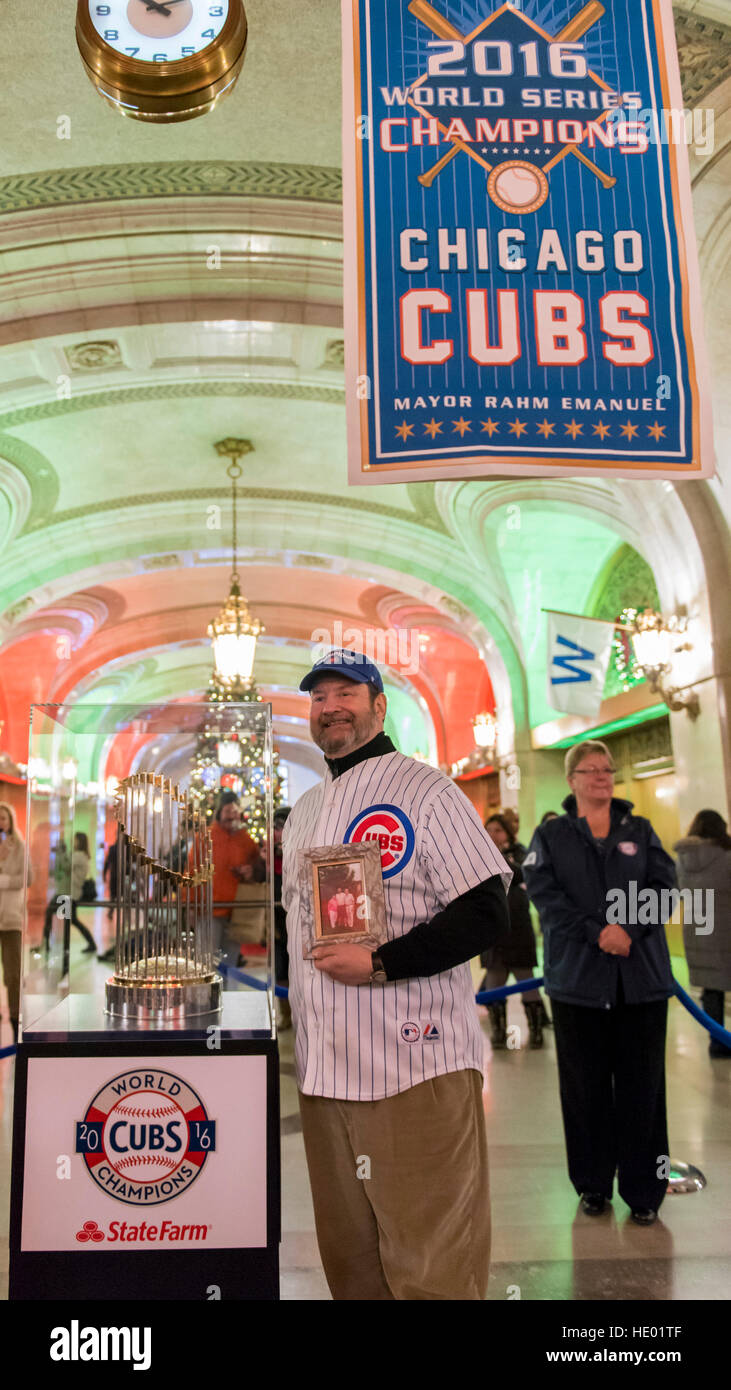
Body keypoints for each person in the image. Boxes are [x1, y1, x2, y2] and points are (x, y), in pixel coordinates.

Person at [282, 648, 511, 1300]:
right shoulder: (306, 807)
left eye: (346, 693)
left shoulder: (423, 788)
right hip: (326, 1075)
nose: (330, 707)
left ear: (379, 706)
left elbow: (485, 912)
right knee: (353, 1266)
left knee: (431, 1262)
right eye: (318, 697)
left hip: (412, 1067)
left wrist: (382, 963)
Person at [523, 740, 676, 1226]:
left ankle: (646, 1190)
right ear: (571, 781)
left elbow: (665, 887)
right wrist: (598, 932)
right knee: (585, 1092)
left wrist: (626, 930)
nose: (601, 777)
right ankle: (592, 1184)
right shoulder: (552, 836)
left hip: (641, 984)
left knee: (644, 1093)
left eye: (606, 769)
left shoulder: (641, 830)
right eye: (589, 770)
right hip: (578, 986)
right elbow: (545, 896)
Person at [481, 813, 543, 1049]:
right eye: (488, 829)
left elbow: (523, 874)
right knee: (495, 985)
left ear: (507, 833)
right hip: (492, 930)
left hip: (518, 929)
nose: (492, 834)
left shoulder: (521, 853)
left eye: (497, 830)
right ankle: (498, 1032)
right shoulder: (476, 856)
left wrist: (496, 857)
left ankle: (536, 1030)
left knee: (527, 982)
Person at [675, 809, 731, 1059]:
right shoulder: (727, 856)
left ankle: (717, 1043)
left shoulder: (682, 860)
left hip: (697, 929)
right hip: (726, 928)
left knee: (711, 989)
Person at [210, 791, 265, 969]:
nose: (232, 816)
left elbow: (258, 869)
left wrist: (249, 872)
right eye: (228, 811)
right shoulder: (205, 837)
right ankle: (205, 997)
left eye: (235, 811)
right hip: (211, 910)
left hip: (237, 911)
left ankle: (227, 995)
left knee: (230, 961)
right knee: (207, 959)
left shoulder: (246, 840)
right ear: (219, 812)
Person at [0, 802, 26, 1043]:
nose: (1, 823)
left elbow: (23, 879)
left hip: (10, 918)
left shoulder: (19, 846)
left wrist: (3, 878)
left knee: (12, 974)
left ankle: (15, 1018)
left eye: (4, 818)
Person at [272, 806, 292, 1030]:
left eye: (282, 826)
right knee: (280, 970)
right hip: (276, 920)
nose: (279, 832)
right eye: (276, 827)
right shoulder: (268, 853)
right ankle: (285, 1014)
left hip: (296, 919)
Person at [70, 832, 97, 953]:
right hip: (72, 893)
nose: (73, 842)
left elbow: (65, 865)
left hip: (72, 893)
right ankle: (91, 943)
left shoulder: (78, 856)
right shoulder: (83, 855)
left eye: (75, 840)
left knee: (70, 919)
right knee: (71, 919)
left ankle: (91, 943)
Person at [42, 837, 71, 949]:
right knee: (53, 914)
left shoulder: (65, 857)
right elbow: (55, 872)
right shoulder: (60, 857)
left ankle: (58, 944)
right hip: (61, 892)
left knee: (65, 919)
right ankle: (46, 942)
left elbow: (65, 869)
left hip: (64, 894)